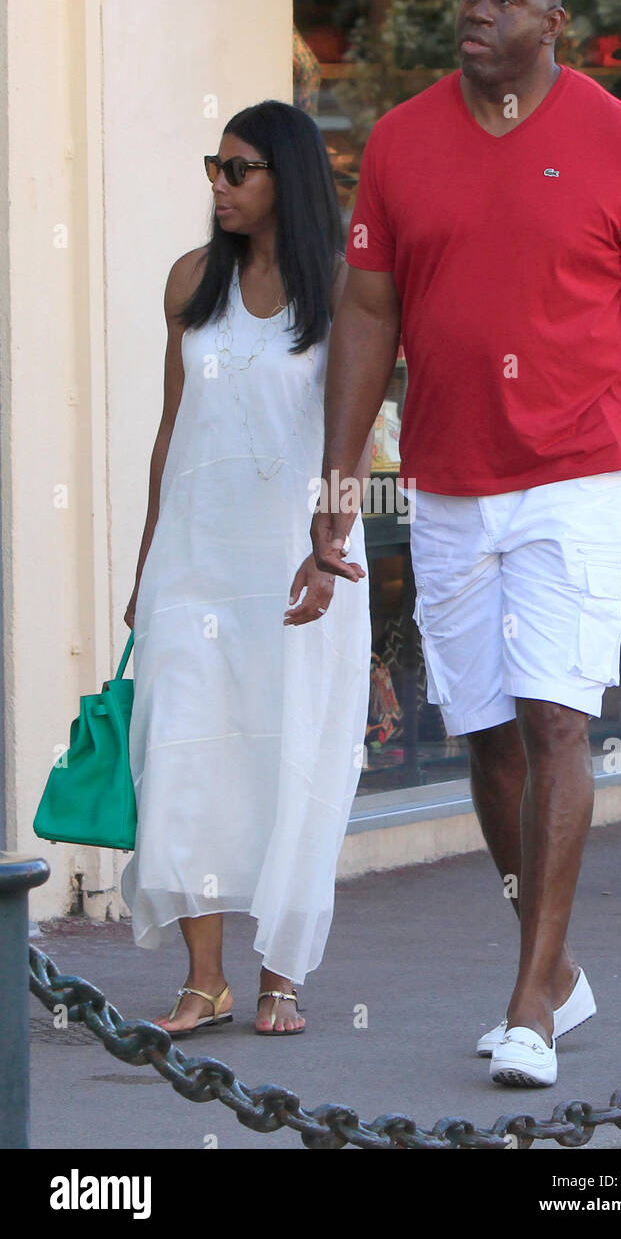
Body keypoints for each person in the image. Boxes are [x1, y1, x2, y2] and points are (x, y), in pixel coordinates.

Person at [304, 0, 621, 1086]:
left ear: (553, 25)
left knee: (557, 718)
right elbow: (367, 315)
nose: (475, 12)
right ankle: (557, 970)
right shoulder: (400, 140)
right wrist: (337, 481)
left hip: (579, 469)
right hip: (447, 481)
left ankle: (530, 995)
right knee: (484, 736)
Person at [121, 100, 373, 1037]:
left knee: (288, 760)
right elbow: (170, 430)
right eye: (214, 167)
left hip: (294, 565)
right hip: (194, 558)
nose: (218, 186)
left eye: (239, 170)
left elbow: (355, 443)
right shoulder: (192, 280)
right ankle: (204, 978)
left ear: (287, 181)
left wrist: (331, 546)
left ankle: (280, 975)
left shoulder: (344, 290)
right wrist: (147, 563)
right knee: (184, 756)